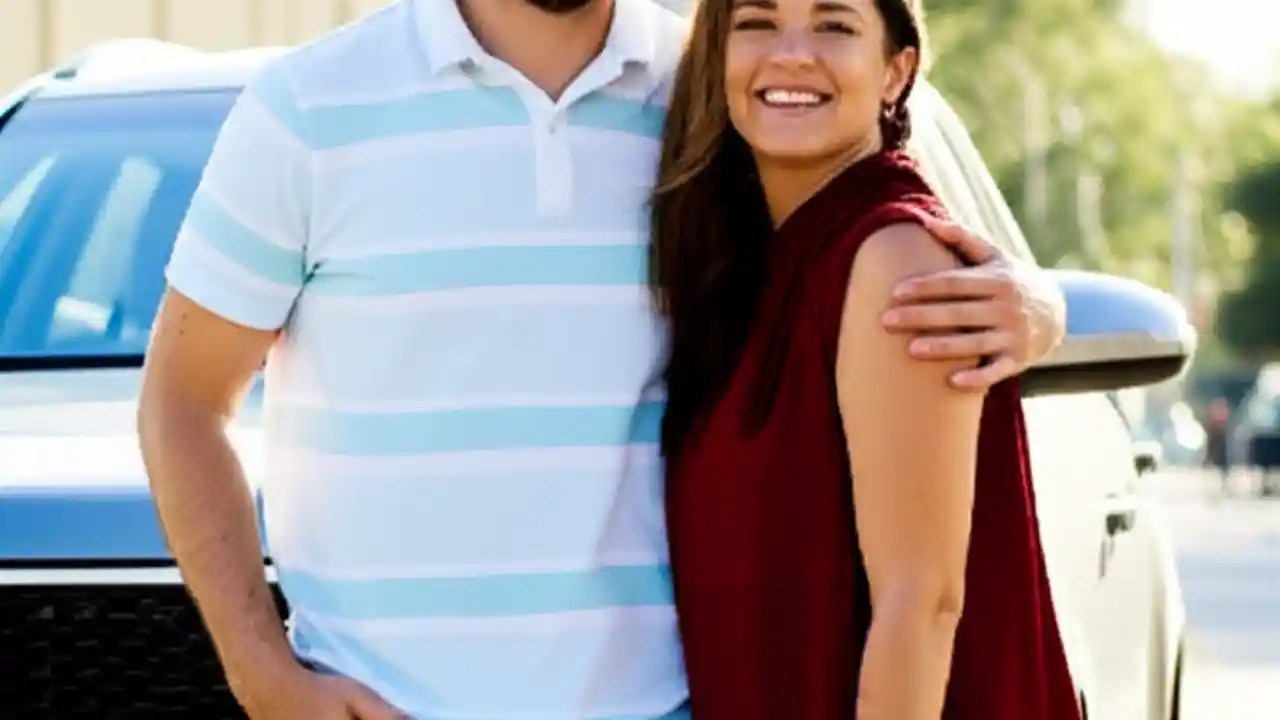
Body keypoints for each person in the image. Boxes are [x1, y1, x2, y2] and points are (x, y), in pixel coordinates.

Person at [136, 0, 1066, 718]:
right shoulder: (311, 107)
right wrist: (264, 676)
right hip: (385, 703)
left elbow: (864, 240)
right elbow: (182, 401)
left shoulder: (706, 95)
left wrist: (1038, 304)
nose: (793, 44)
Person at [655, 0, 1080, 718]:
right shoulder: (747, 272)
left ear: (896, 70)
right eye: (757, 23)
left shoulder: (893, 259)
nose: (791, 53)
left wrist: (1048, 311)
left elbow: (922, 603)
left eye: (834, 25)